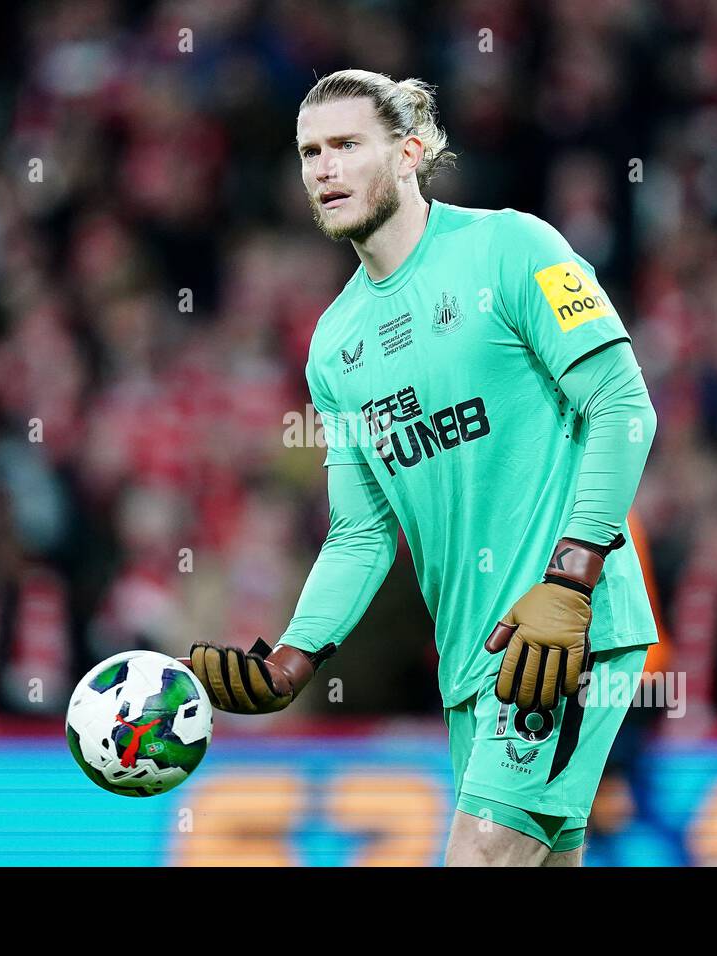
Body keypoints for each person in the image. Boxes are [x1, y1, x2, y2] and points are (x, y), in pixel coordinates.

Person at [185, 69, 658, 867]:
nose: (324, 169)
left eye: (345, 146)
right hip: (471, 666)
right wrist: (293, 657)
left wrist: (571, 579)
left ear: (409, 153)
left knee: (474, 858)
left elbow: (623, 406)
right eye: (309, 153)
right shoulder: (335, 346)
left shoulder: (512, 247)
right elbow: (361, 531)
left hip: (558, 641)